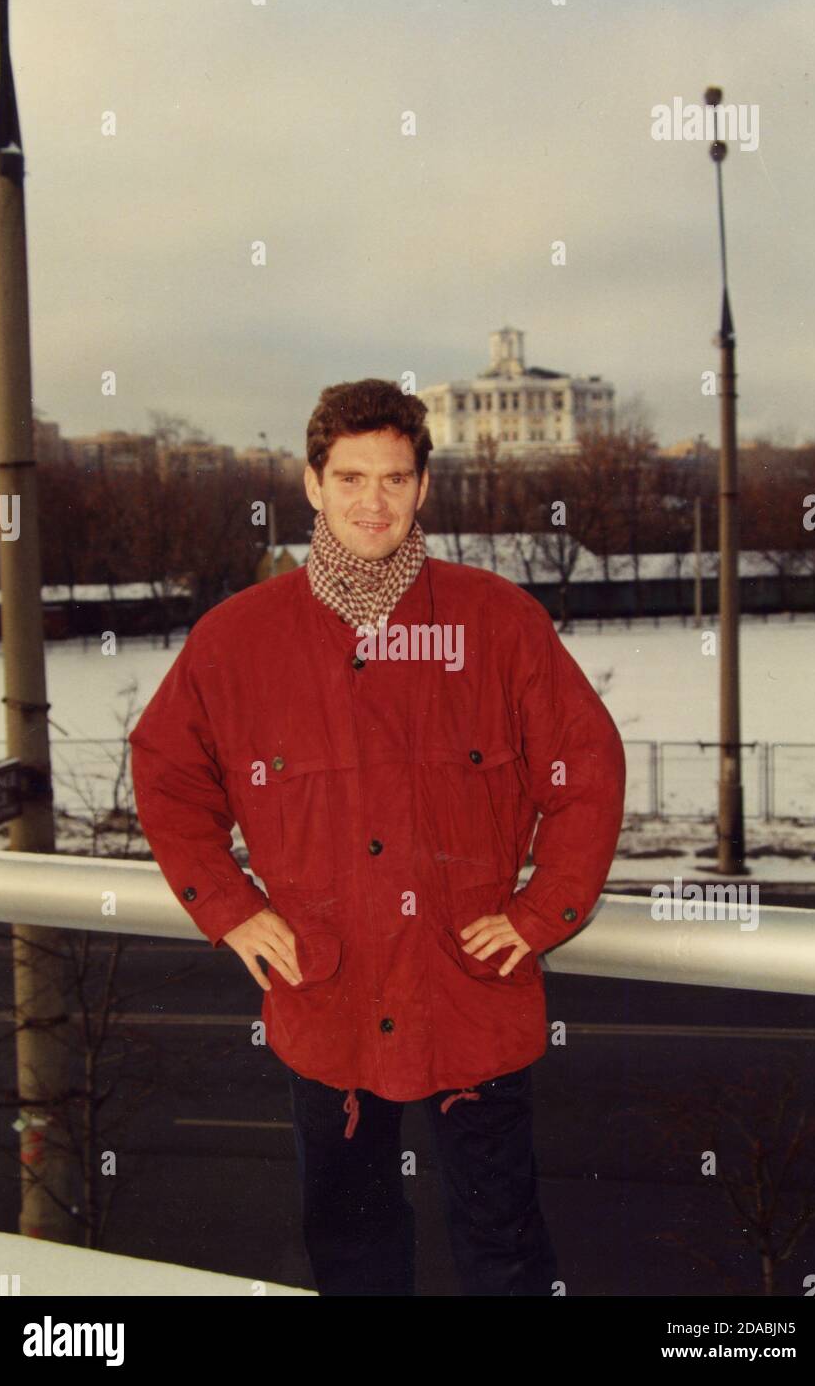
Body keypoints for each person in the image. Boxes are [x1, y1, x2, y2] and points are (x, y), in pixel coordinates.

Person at [129, 378, 626, 1296]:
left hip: (471, 991)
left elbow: (585, 769)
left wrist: (541, 909)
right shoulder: (238, 640)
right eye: (350, 477)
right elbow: (166, 774)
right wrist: (230, 908)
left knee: (505, 1248)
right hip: (329, 996)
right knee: (349, 1250)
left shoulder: (496, 620)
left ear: (423, 487)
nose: (372, 501)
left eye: (393, 479)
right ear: (311, 484)